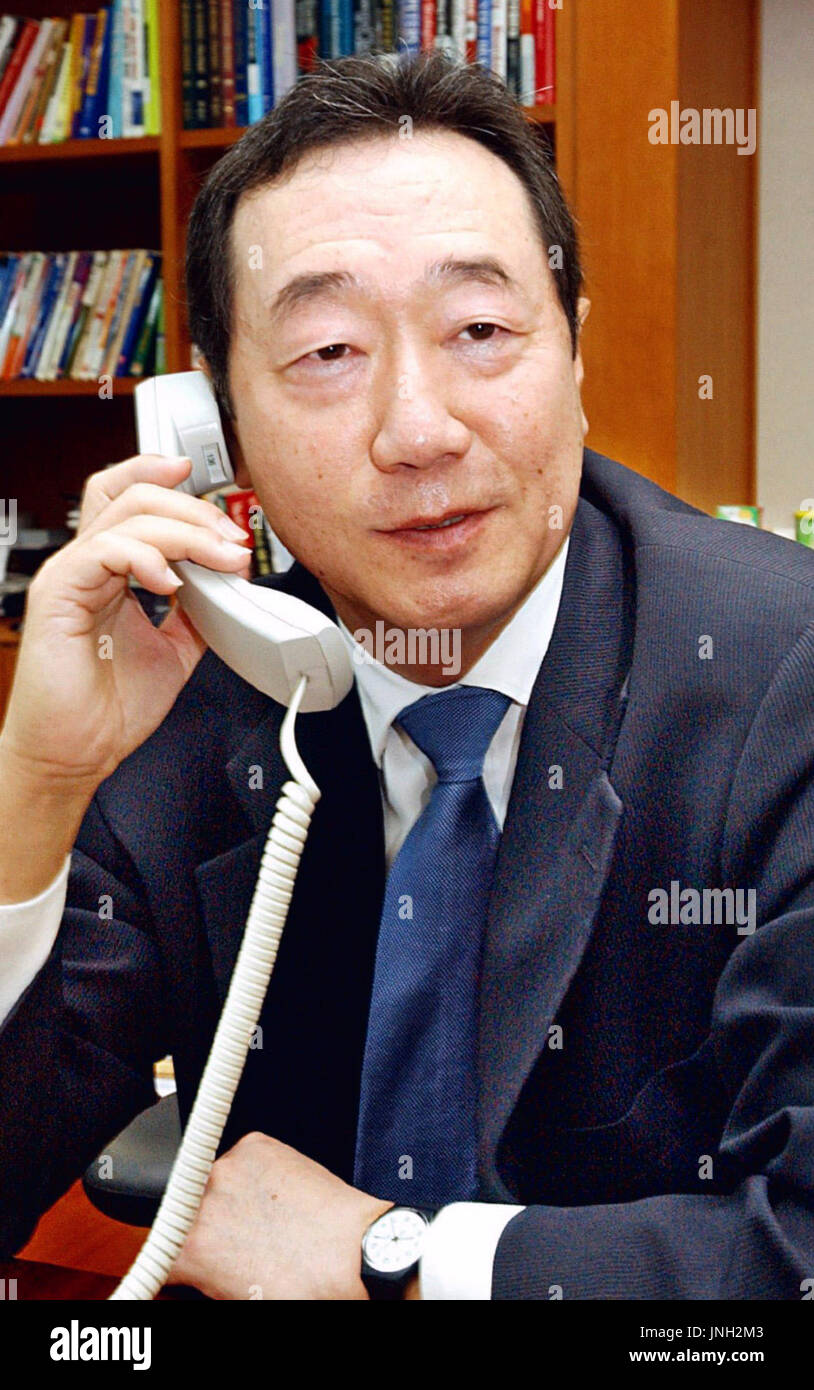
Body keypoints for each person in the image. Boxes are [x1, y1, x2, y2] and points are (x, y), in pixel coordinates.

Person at [1, 51, 813, 1301]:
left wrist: (397, 1259)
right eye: (327, 351)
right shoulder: (197, 690)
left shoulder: (782, 675)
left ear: (575, 357)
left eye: (481, 330)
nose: (418, 430)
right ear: (217, 426)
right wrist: (38, 790)